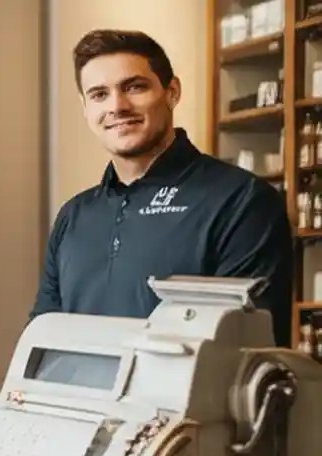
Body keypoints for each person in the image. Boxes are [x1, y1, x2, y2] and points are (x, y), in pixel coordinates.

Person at [32, 29, 293, 346]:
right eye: (99, 94)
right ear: (85, 107)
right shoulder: (73, 217)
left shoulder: (241, 202)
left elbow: (241, 350)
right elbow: (43, 337)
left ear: (172, 92)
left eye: (134, 87)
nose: (117, 106)